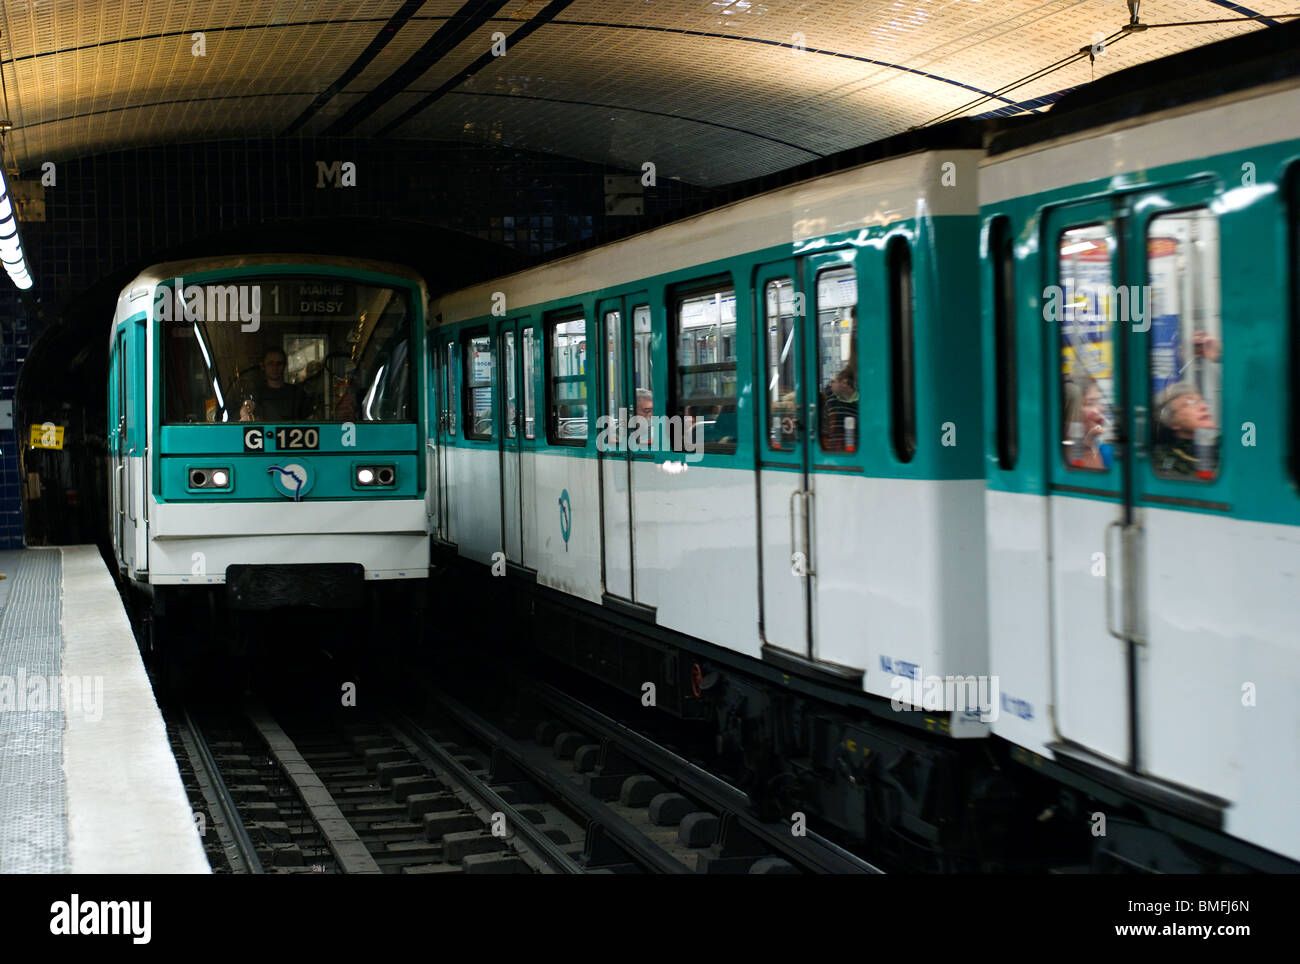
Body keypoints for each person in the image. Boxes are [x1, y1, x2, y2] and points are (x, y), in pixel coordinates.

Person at [1152, 382, 1218, 478]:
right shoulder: (1163, 459)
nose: (1203, 407)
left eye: (1201, 401)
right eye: (1190, 403)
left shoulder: (1227, 446)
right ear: (1173, 421)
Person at [239, 347, 312, 421]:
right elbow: (246, 410)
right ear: (263, 366)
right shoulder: (255, 393)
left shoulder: (297, 393)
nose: (275, 368)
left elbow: (311, 421)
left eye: (279, 363)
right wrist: (245, 413)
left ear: (285, 366)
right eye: (271, 363)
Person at [821, 365, 859, 452]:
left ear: (844, 383)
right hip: (834, 453)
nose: (830, 384)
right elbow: (825, 430)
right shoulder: (830, 402)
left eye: (833, 381)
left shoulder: (862, 403)